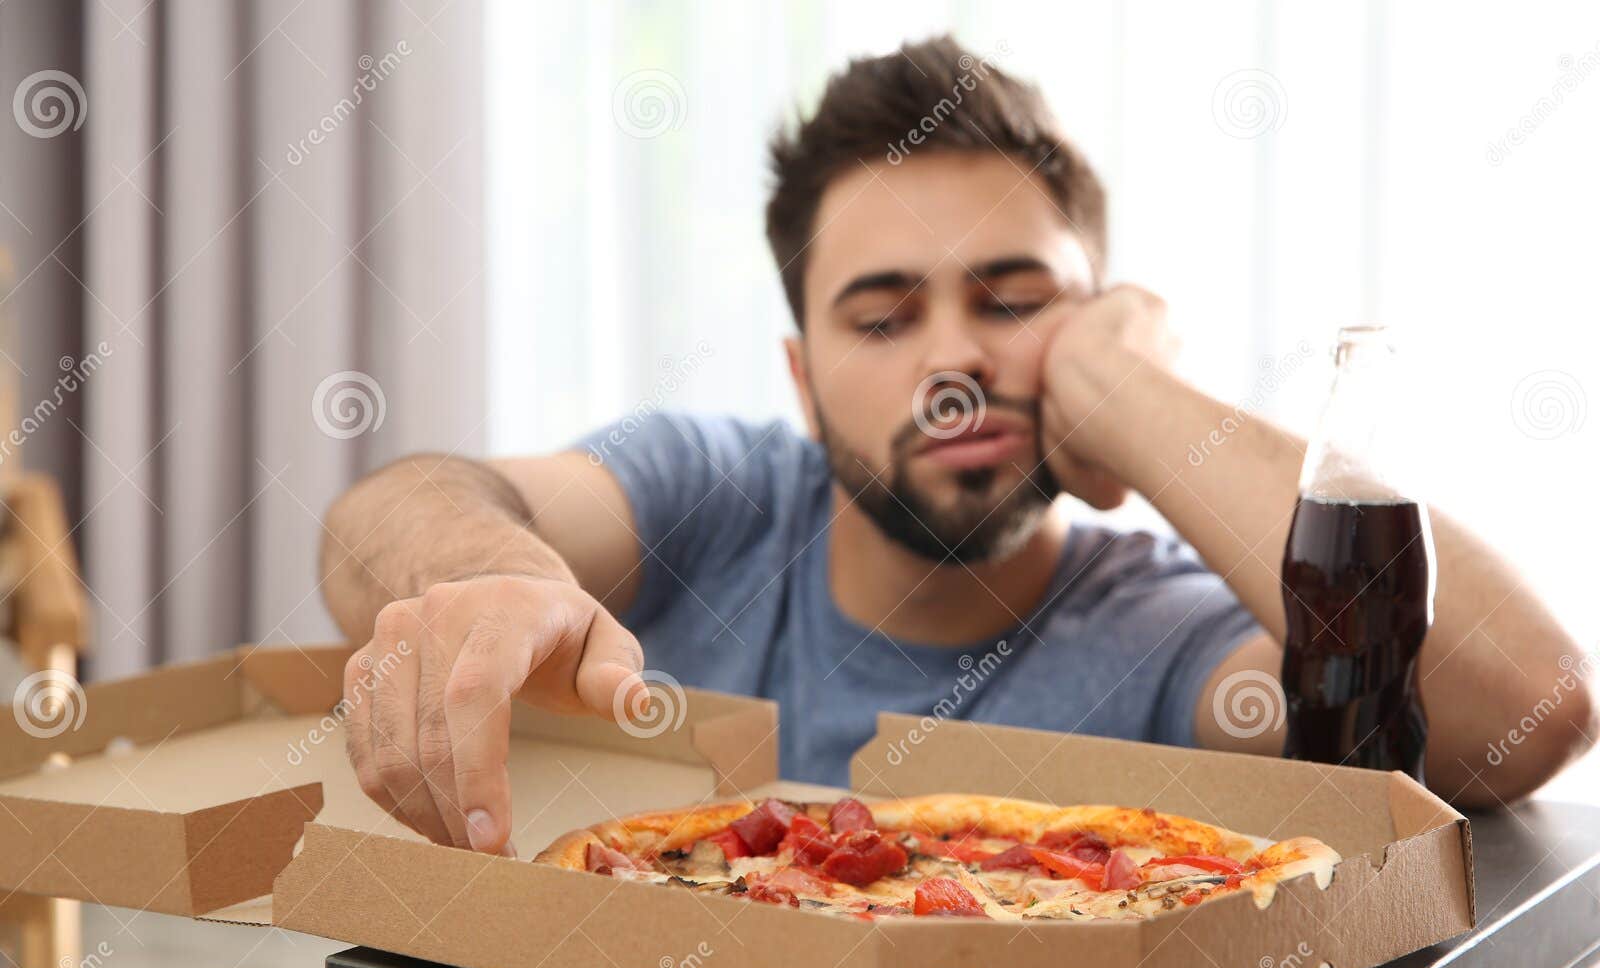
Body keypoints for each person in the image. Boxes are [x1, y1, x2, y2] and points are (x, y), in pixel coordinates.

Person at [321, 37, 1593, 856]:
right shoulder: (713, 497)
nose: (950, 362)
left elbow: (1519, 711)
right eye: (882, 315)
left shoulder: (1154, 631)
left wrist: (1121, 381)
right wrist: (498, 583)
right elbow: (398, 509)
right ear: (802, 378)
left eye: (1015, 301)